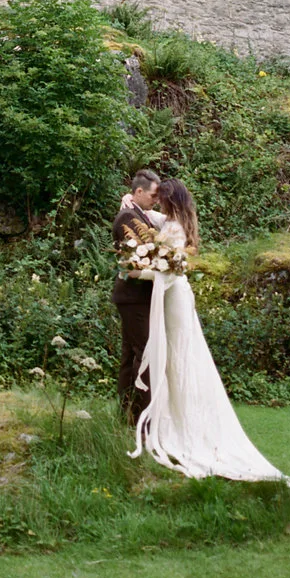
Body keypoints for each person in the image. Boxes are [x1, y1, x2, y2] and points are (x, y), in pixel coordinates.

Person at [127, 178, 290, 522]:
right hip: (170, 295)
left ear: (170, 200)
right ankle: (173, 417)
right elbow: (146, 219)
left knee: (182, 358)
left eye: (161, 198)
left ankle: (185, 426)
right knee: (175, 361)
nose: (158, 203)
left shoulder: (176, 228)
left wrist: (142, 272)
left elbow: (167, 261)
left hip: (175, 295)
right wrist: (129, 204)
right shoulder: (172, 222)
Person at [110, 168, 160, 423]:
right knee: (144, 353)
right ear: (138, 192)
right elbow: (139, 258)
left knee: (131, 355)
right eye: (153, 195)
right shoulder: (128, 217)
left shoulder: (139, 213)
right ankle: (142, 417)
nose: (156, 200)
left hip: (135, 296)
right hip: (133, 296)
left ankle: (127, 413)